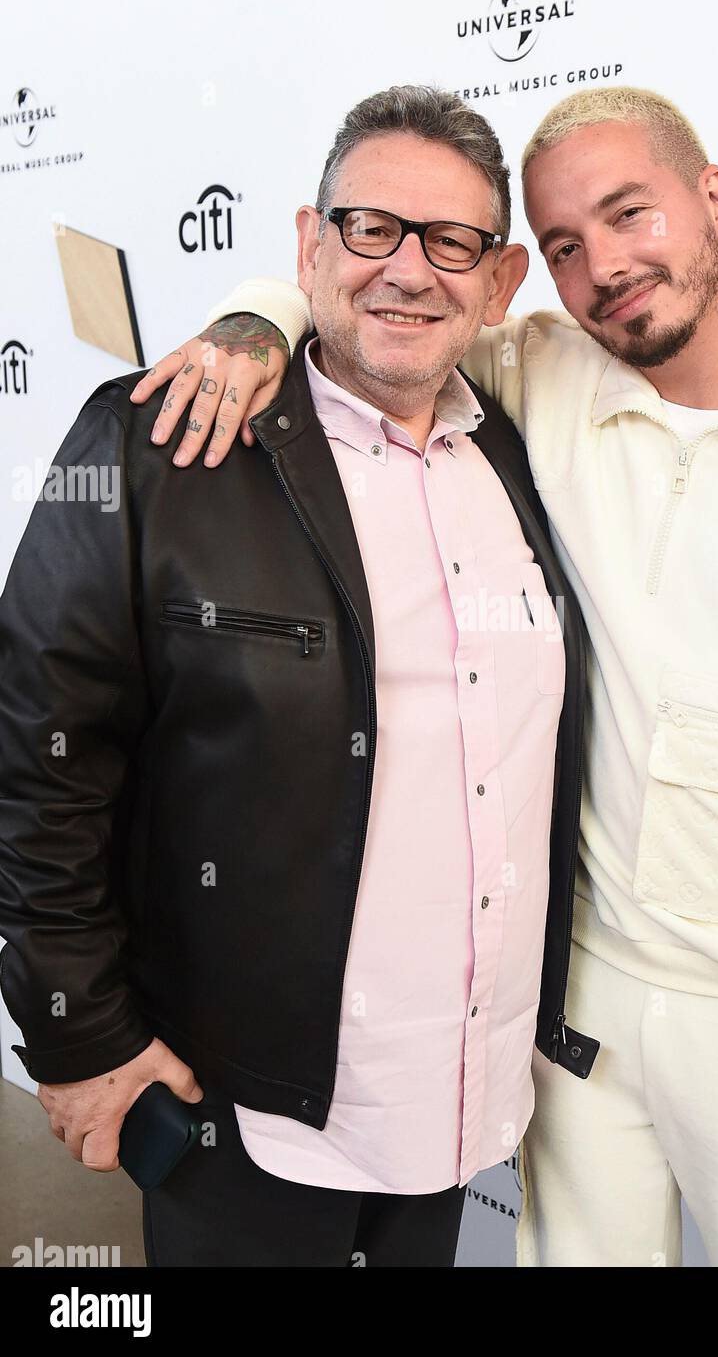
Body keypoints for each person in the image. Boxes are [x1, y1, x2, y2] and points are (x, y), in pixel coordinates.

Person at [134, 84, 718, 1268]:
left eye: (628, 214)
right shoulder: (543, 376)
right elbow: (379, 304)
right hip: (583, 1005)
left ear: (713, 199)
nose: (603, 267)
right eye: (561, 248)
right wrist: (256, 311)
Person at [0, 85, 596, 1267]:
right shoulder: (162, 439)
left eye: (451, 242)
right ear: (309, 243)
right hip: (246, 1111)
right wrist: (78, 1036)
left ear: (500, 280)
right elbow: (38, 757)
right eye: (370, 228)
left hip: (463, 1104)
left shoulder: (519, 448)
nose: (407, 271)